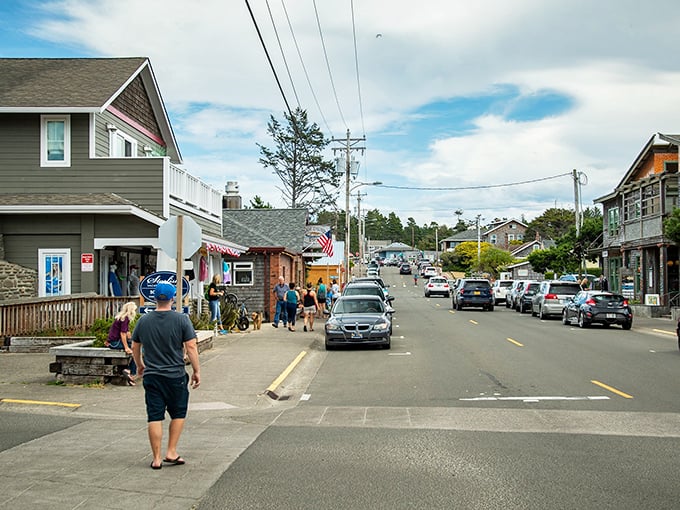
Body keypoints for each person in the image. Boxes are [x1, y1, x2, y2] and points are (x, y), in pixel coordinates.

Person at [131, 282, 200, 470]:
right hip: (175, 375)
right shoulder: (182, 320)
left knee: (154, 415)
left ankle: (156, 458)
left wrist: (139, 365)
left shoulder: (143, 321)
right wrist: (196, 371)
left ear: (154, 299)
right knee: (178, 413)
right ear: (172, 298)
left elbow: (135, 346)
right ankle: (171, 451)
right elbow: (191, 347)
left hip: (152, 375)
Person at [106, 301, 138, 385]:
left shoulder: (121, 317)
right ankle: (130, 372)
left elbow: (125, 332)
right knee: (135, 351)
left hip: (113, 341)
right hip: (115, 343)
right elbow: (122, 334)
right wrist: (126, 347)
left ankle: (129, 371)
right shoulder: (125, 319)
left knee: (136, 348)